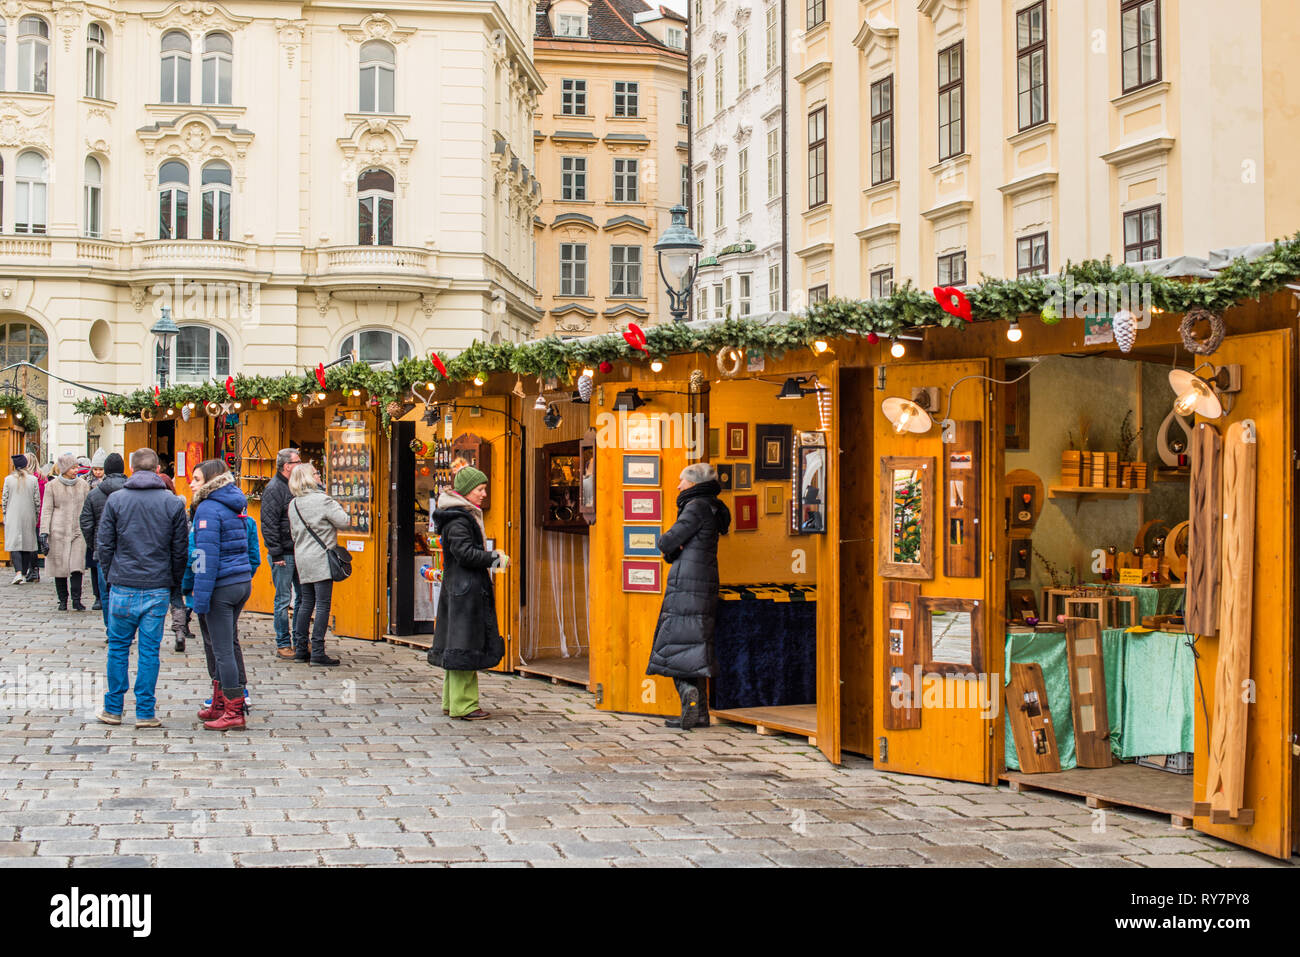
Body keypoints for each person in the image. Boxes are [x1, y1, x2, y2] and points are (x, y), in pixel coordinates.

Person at [95, 448, 189, 729]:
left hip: (123, 584)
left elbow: (105, 544)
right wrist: (172, 580)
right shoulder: (172, 503)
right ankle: (145, 712)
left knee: (118, 648)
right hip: (157, 586)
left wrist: (111, 575)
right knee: (149, 651)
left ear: (132, 469)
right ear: (158, 469)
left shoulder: (116, 500)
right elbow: (180, 550)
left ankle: (113, 708)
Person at [646, 462, 731, 730]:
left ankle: (689, 697)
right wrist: (675, 547)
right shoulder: (713, 507)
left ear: (693, 484)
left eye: (682, 481)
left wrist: (672, 547)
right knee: (694, 647)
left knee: (672, 645)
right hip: (704, 583)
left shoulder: (695, 507)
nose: (678, 485)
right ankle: (701, 714)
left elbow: (666, 542)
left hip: (687, 585)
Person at [428, 466, 506, 719]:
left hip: (460, 588)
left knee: (457, 646)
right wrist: (496, 559)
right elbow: (465, 554)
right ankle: (465, 705)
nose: (484, 494)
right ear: (466, 491)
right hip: (466, 589)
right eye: (480, 489)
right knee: (464, 647)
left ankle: (452, 701)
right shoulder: (460, 519)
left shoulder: (455, 517)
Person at [188, 459, 256, 730]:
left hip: (221, 586)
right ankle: (219, 703)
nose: (191, 483)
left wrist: (199, 599)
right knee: (226, 642)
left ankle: (233, 709)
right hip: (240, 580)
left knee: (222, 649)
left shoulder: (207, 509)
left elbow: (204, 557)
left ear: (210, 481)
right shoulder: (234, 504)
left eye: (196, 478)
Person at [287, 462, 349, 666]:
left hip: (302, 557)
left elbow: (294, 533)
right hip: (322, 557)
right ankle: (318, 651)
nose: (319, 476)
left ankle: (301, 648)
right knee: (322, 604)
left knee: (305, 603)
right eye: (316, 473)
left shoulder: (294, 504)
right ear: (308, 478)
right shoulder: (323, 500)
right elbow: (344, 521)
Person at [260, 447, 303, 660]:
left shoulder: (296, 486)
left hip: (299, 551)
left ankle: (300, 640)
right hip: (283, 553)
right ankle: (283, 643)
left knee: (303, 597)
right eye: (297, 462)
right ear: (287, 466)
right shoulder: (274, 488)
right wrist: (276, 553)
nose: (300, 465)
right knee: (283, 600)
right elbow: (268, 524)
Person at [79, 452, 127, 629]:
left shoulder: (95, 494)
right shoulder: (131, 491)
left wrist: (94, 545)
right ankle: (124, 628)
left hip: (102, 549)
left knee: (106, 592)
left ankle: (111, 628)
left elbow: (85, 522)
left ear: (105, 470)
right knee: (127, 590)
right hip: (127, 549)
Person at [39, 453, 91, 611]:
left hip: (77, 530)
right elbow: (46, 510)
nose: (76, 470)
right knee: (59, 567)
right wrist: (44, 532)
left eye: (76, 467)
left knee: (77, 566)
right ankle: (63, 600)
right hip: (58, 530)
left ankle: (77, 600)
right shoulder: (52, 486)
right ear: (64, 468)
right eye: (73, 467)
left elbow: (88, 509)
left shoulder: (83, 485)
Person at [3, 454, 40, 585]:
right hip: (28, 515)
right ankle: (23, 573)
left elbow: (4, 499)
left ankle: (18, 572)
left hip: (13, 514)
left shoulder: (8, 480)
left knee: (14, 545)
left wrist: (5, 515)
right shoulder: (33, 480)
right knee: (26, 545)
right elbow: (37, 500)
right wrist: (35, 515)